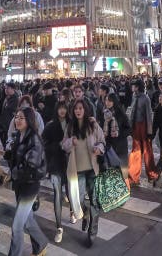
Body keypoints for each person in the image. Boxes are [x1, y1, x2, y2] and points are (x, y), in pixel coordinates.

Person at [62, 99, 105, 248]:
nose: (78, 111)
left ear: (85, 110)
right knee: (77, 201)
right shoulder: (70, 126)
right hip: (77, 170)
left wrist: (99, 148)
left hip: (92, 169)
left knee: (94, 201)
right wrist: (70, 142)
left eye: (80, 108)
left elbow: (102, 141)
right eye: (76, 109)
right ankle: (85, 213)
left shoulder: (92, 124)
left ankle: (92, 234)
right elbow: (64, 144)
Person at [6, 107, 49, 256]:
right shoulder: (19, 135)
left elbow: (30, 165)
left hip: (30, 185)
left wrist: (12, 173)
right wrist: (7, 153)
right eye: (16, 117)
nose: (17, 120)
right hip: (20, 183)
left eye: (21, 118)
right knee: (28, 219)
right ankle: (41, 243)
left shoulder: (34, 139)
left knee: (17, 225)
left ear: (29, 120)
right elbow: (16, 157)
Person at [42, 100, 71, 242]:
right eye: (60, 108)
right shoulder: (50, 126)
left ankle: (72, 209)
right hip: (55, 164)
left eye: (64, 108)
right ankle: (59, 227)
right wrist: (58, 145)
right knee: (57, 194)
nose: (62, 111)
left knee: (71, 192)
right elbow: (44, 144)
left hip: (71, 164)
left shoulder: (72, 124)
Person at [127, 79, 158, 185]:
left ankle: (152, 174)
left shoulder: (146, 98)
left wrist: (150, 131)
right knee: (135, 151)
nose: (132, 87)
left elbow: (149, 115)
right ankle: (134, 177)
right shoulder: (134, 97)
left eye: (134, 85)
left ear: (138, 87)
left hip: (144, 126)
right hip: (136, 126)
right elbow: (131, 112)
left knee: (147, 151)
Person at [103, 92, 131, 181]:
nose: (107, 102)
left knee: (123, 175)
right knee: (112, 174)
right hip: (109, 148)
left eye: (110, 101)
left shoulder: (120, 114)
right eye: (106, 100)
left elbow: (129, 129)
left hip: (121, 147)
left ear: (114, 101)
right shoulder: (103, 114)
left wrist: (119, 134)